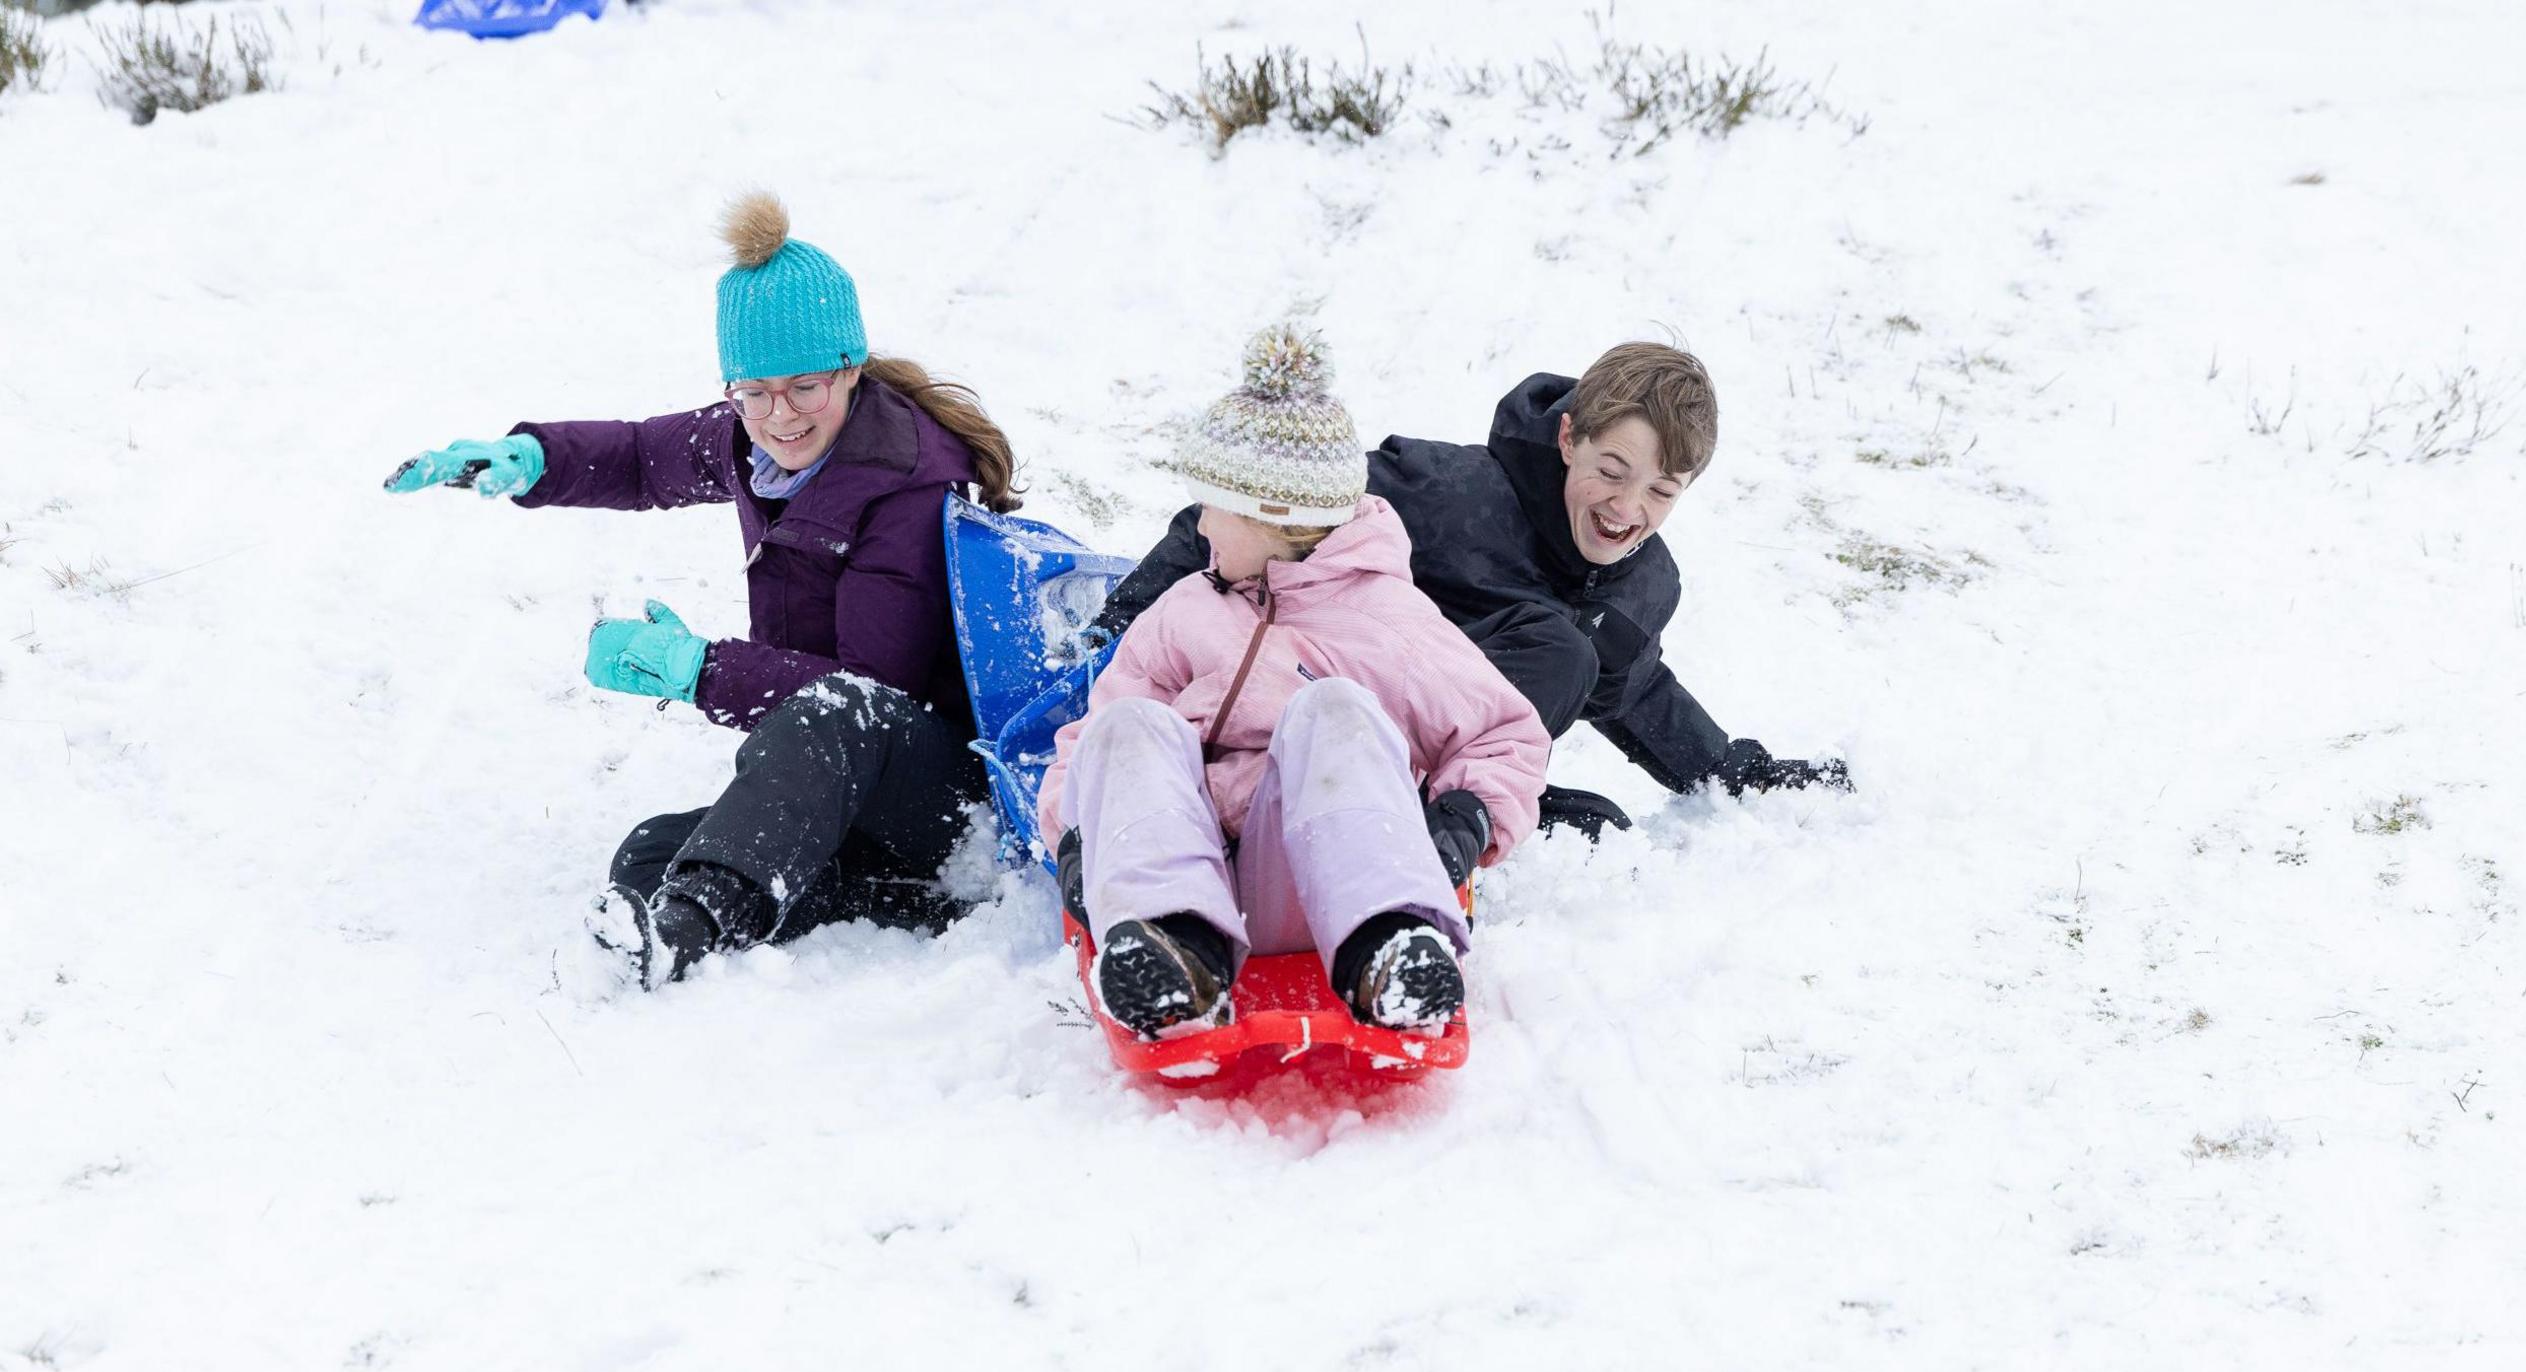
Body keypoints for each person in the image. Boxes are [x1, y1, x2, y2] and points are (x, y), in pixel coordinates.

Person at [385, 192, 1015, 984]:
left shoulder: (906, 484)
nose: (780, 415)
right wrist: (531, 459)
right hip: (849, 782)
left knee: (832, 715)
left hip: (948, 797)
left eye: (804, 387)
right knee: (649, 849)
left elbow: (868, 697)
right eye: (753, 392)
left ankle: (685, 931)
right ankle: (890, 897)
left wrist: (700, 669)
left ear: (849, 369)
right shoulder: (758, 441)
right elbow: (647, 459)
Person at [1095, 341, 1850, 838]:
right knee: (1563, 646)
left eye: (1662, 490)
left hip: (1437, 773)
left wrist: (1732, 773)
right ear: (1566, 438)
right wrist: (1121, 628)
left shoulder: (1639, 584)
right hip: (1296, 709)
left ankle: (1464, 810)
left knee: (1571, 652)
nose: (1628, 509)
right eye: (1612, 471)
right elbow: (1259, 501)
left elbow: (1637, 688)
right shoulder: (1453, 494)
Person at [1038, 325, 1549, 1037]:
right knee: (1132, 724)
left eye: (1213, 502)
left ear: (1278, 515)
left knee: (1333, 709)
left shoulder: (1389, 621)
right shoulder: (1184, 610)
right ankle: (1173, 954)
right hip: (1185, 872)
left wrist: (1464, 821)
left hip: (1325, 886)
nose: (1199, 521)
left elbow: (1507, 735)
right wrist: (1076, 840)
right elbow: (1092, 745)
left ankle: (1392, 947)